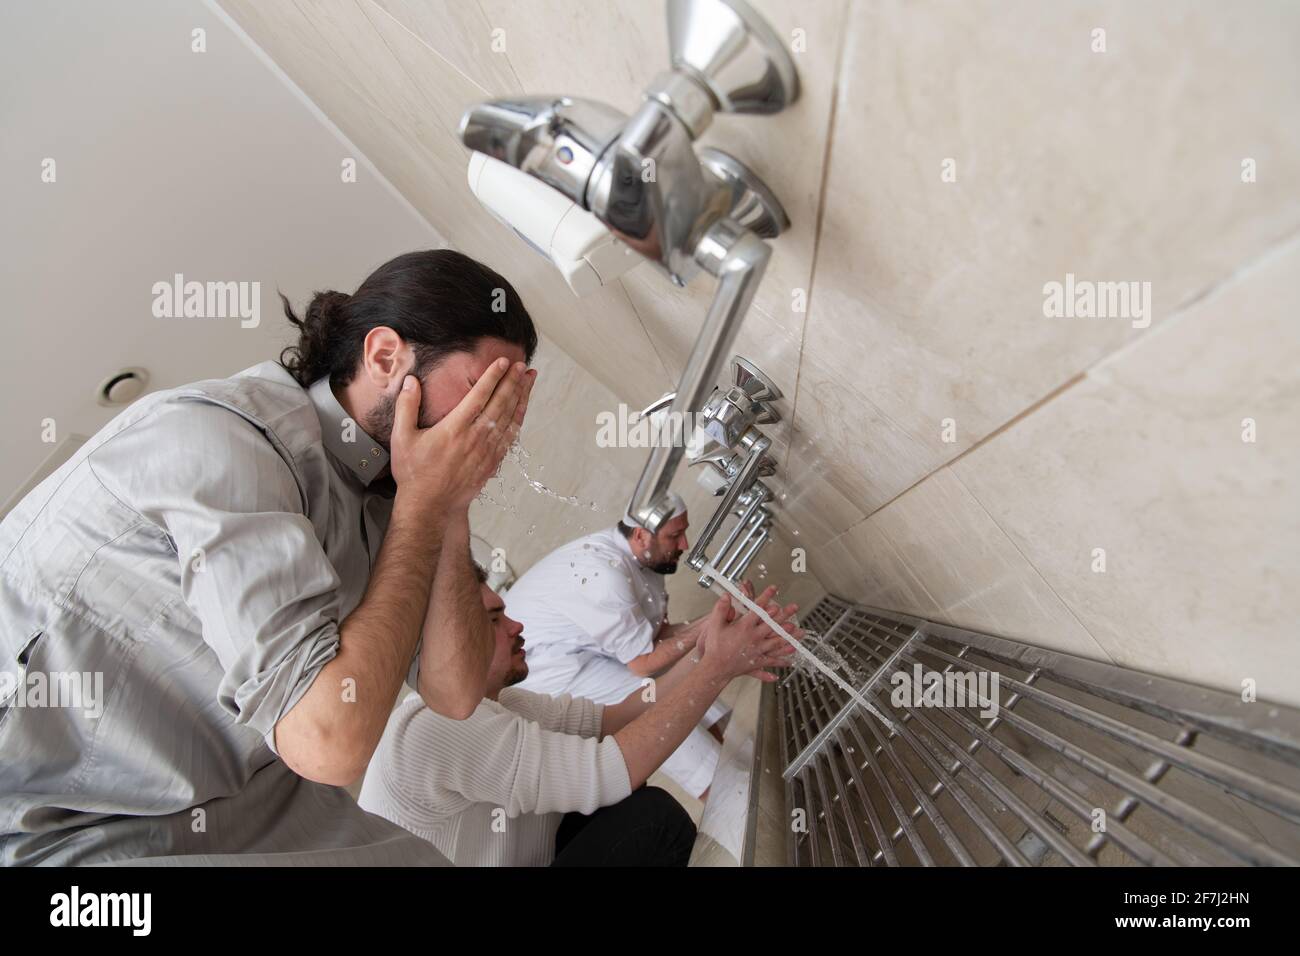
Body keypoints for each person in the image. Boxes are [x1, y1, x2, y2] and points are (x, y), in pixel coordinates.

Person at [0, 249, 538, 865]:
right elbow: (328, 743)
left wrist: (450, 502)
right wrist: (424, 503)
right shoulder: (222, 441)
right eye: (483, 393)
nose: (494, 427)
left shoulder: (389, 501)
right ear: (386, 357)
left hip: (228, 799)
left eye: (507, 408)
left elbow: (455, 690)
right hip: (51, 828)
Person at [358, 563, 800, 866]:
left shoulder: (500, 705)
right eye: (495, 620)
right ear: (451, 640)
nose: (515, 626)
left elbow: (619, 718)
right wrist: (717, 672)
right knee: (649, 821)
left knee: (618, 806)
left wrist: (703, 654)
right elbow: (612, 768)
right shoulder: (432, 729)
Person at [505, 501, 741, 798]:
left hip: (584, 653)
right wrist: (711, 621)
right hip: (546, 672)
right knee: (657, 707)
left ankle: (743, 770)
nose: (685, 543)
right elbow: (643, 662)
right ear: (642, 535)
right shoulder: (606, 575)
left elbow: (654, 638)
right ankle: (733, 804)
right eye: (675, 536)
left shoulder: (647, 558)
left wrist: (719, 614)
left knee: (686, 684)